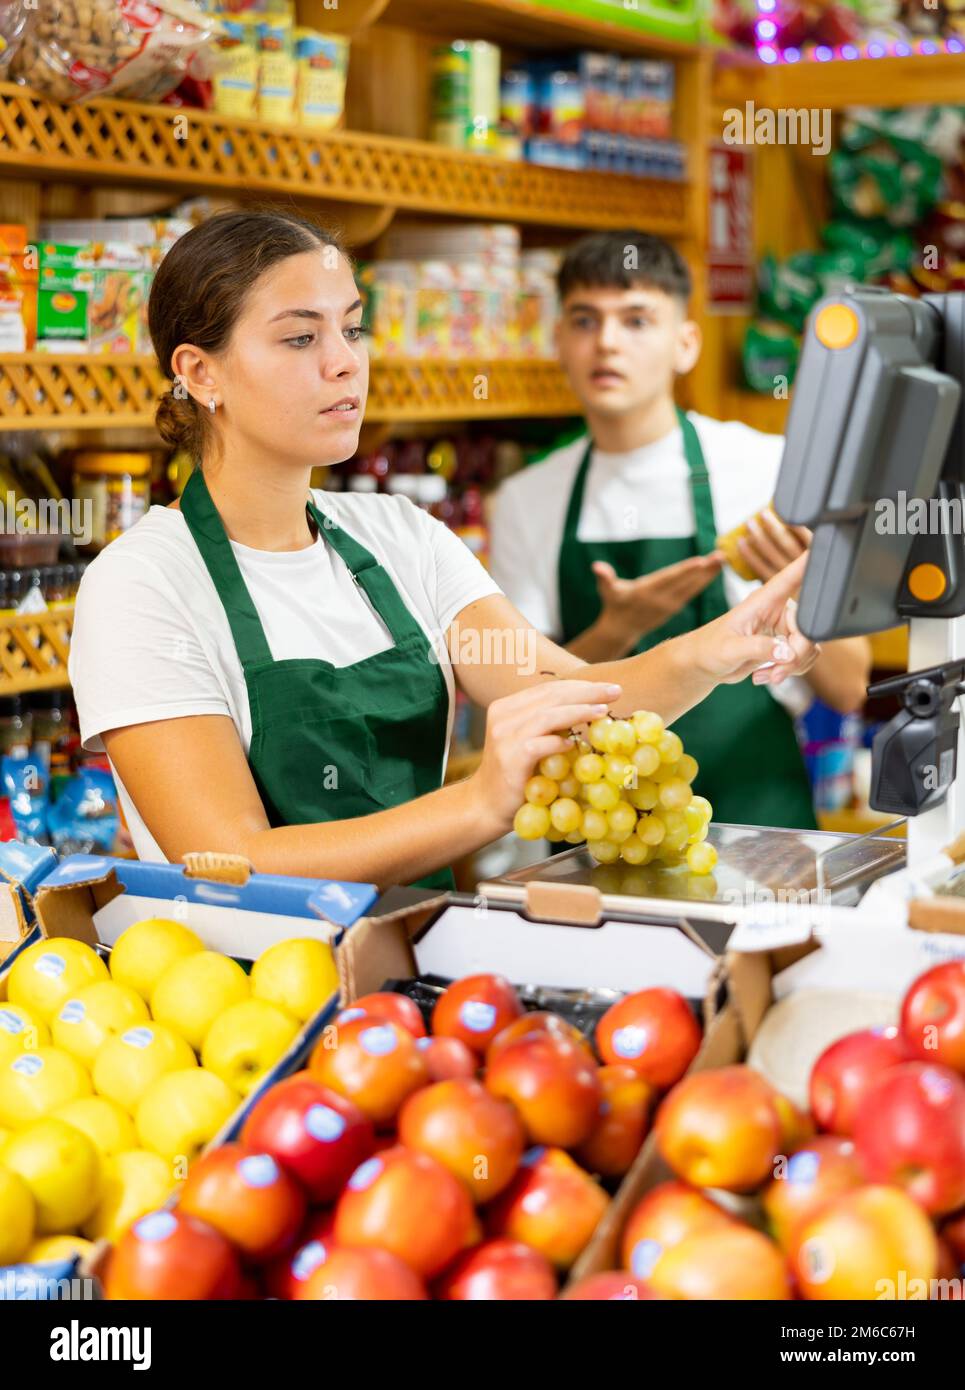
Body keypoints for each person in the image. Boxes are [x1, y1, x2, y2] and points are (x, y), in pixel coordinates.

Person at [69, 209, 820, 892]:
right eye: (301, 337)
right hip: (240, 1003)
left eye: (352, 329)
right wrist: (480, 802)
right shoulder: (143, 585)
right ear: (201, 374)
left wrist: (721, 647)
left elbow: (581, 698)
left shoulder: (401, 537)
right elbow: (227, 858)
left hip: (412, 976)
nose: (344, 362)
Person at [490, 230, 871, 830]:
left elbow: (850, 686)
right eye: (585, 321)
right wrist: (617, 630)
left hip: (760, 821)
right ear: (558, 339)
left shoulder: (770, 470)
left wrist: (798, 588)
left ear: (685, 343)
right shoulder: (524, 500)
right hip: (598, 835)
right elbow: (525, 701)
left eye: (637, 320)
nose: (607, 343)